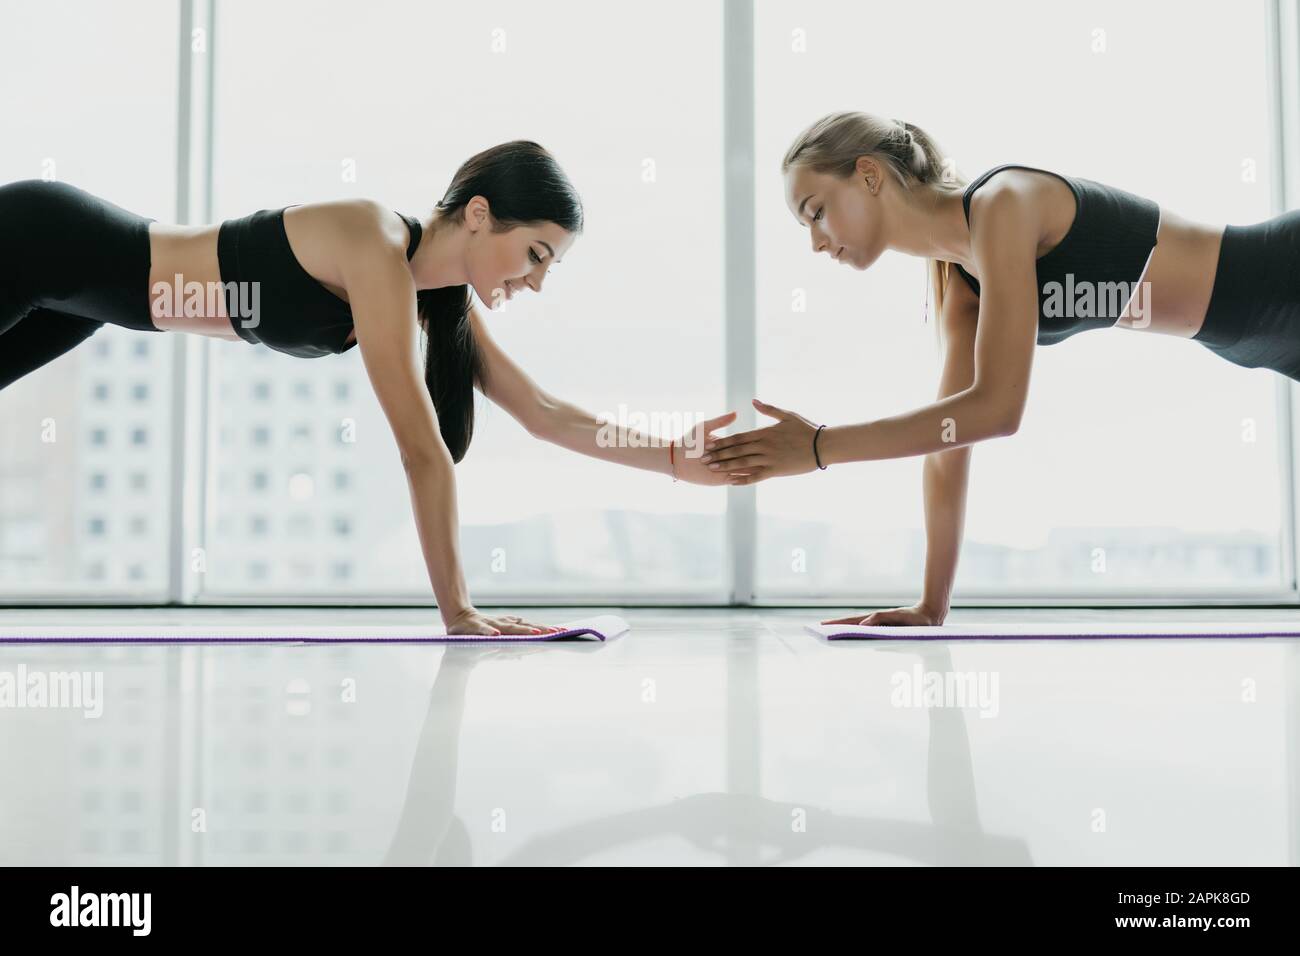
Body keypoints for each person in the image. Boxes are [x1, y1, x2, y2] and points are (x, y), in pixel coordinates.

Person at [0, 141, 735, 634]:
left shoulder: (433, 302)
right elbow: (421, 450)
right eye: (535, 254)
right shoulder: (373, 242)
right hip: (48, 243)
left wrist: (673, 457)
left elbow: (542, 413)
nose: (537, 280)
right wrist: (461, 611)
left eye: (550, 267)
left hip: (85, 303)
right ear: (480, 215)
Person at [700, 110, 1300, 627]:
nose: (816, 242)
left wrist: (821, 447)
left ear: (869, 173)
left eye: (816, 212)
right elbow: (949, 446)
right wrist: (931, 605)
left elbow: (996, 410)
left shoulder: (1003, 203)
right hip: (1265, 344)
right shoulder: (957, 281)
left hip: (1284, 278)